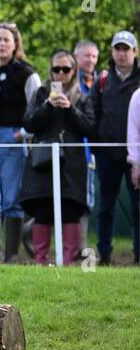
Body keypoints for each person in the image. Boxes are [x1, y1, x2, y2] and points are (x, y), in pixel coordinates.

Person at [18, 52, 94, 265]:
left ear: (74, 71)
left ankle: (68, 263)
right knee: (43, 210)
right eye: (56, 69)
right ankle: (41, 262)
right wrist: (48, 106)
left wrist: (70, 109)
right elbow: (29, 123)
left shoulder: (83, 97)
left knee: (70, 211)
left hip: (72, 165)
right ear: (50, 71)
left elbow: (89, 127)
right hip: (43, 164)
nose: (61, 74)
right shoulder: (41, 93)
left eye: (66, 69)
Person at [0, 22, 40, 263]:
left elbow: (38, 107)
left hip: (11, 137)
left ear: (15, 45)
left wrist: (24, 132)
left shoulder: (27, 73)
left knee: (12, 198)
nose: (1, 44)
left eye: (6, 40)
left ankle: (11, 255)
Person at [90, 30, 140, 264]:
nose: (121, 54)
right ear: (112, 52)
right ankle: (104, 256)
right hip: (107, 154)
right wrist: (96, 147)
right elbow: (93, 114)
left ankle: (138, 255)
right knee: (106, 207)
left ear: (134, 52)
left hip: (136, 155)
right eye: (117, 49)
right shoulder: (102, 81)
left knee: (138, 207)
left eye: (126, 49)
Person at [74, 39, 100, 242]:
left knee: (87, 199)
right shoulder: (67, 80)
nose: (91, 60)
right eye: (86, 55)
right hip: (70, 148)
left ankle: (80, 246)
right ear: (76, 57)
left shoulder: (101, 82)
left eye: (94, 56)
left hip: (91, 151)